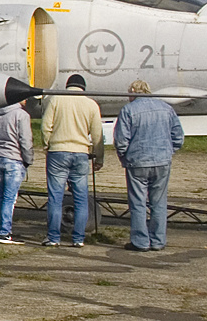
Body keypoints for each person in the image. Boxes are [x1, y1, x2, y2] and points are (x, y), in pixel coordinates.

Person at [115, 79, 184, 251]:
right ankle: (158, 240)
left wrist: (124, 155)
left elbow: (121, 140)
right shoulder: (166, 108)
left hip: (137, 162)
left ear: (132, 91)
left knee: (138, 202)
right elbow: (178, 136)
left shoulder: (128, 110)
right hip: (162, 161)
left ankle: (140, 241)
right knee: (159, 202)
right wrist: (169, 151)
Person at [41, 73, 104, 247]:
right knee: (81, 197)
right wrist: (99, 157)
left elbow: (46, 126)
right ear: (83, 88)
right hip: (80, 152)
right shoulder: (91, 105)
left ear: (67, 86)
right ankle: (78, 238)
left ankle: (53, 237)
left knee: (55, 197)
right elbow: (97, 134)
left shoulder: (56, 100)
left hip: (58, 151)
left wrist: (47, 145)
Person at [0, 99, 33, 244]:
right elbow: (25, 140)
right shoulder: (21, 115)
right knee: (9, 198)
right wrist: (28, 159)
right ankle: (4, 232)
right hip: (14, 159)